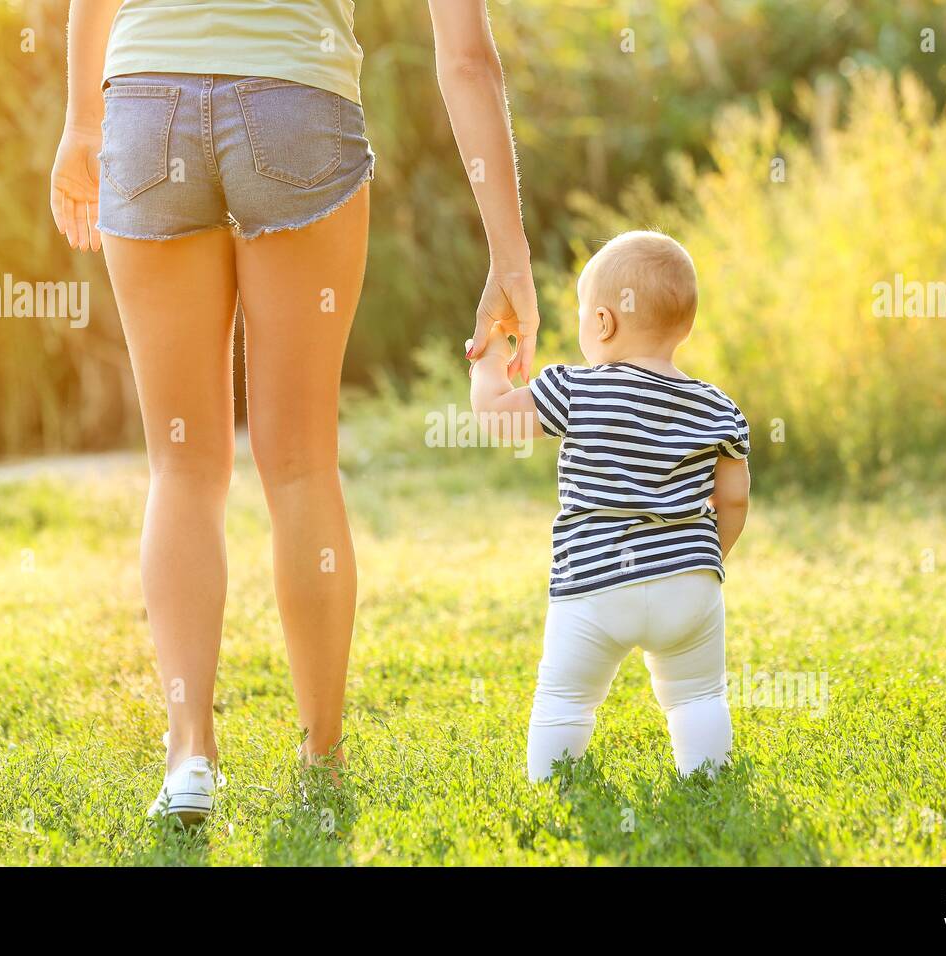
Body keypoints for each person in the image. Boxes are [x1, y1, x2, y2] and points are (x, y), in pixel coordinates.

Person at [49, 0, 539, 824]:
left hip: (147, 102)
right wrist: (510, 258)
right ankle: (321, 756)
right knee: (302, 461)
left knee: (182, 463)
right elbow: (466, 59)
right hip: (296, 101)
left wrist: (79, 121)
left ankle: (189, 756)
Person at [467, 231, 751, 780]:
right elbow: (733, 497)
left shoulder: (576, 389)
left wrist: (490, 356)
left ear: (602, 322)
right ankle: (708, 781)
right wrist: (705, 556)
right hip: (688, 585)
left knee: (566, 699)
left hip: (593, 587)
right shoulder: (719, 407)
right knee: (697, 697)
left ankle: (553, 780)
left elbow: (497, 416)